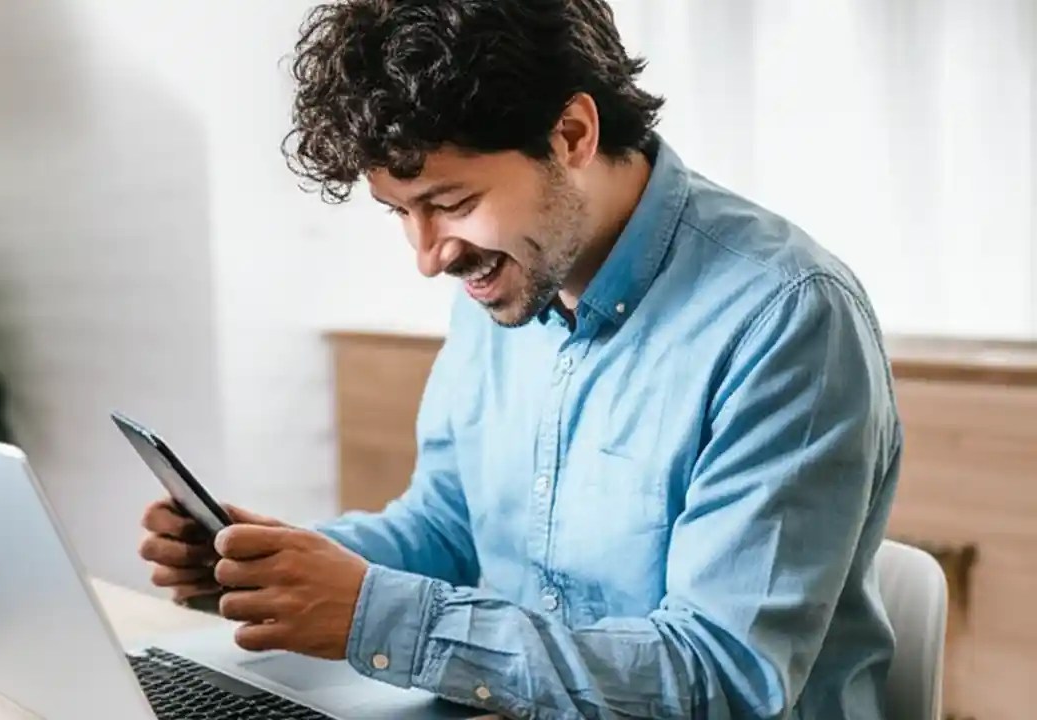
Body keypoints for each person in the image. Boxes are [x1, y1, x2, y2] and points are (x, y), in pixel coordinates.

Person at [139, 1, 901, 717]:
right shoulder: (504, 279)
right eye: (401, 213)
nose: (428, 257)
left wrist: (376, 615)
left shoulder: (785, 318)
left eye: (451, 203)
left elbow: (722, 679)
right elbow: (448, 528)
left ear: (571, 134)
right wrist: (278, 570)